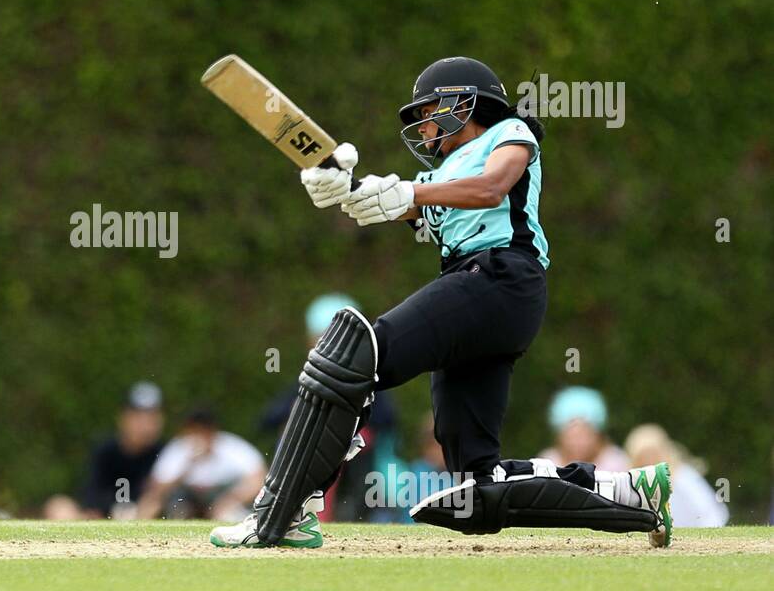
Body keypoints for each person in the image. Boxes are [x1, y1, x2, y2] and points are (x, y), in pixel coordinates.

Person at [211, 57, 672, 549]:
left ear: (465, 103)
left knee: (351, 355)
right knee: (479, 483)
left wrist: (409, 191)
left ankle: (281, 510)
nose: (424, 126)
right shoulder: (445, 172)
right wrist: (348, 188)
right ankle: (631, 493)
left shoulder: (509, 132)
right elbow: (411, 207)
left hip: (500, 277)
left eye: (430, 111)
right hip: (483, 293)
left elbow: (492, 187)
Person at [259, 293, 401, 522]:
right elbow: (269, 418)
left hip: (357, 457)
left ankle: (345, 513)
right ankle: (298, 509)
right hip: (315, 450)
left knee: (357, 440)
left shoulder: (369, 380)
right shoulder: (308, 380)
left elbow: (385, 419)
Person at [136, 408, 265, 521]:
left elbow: (259, 478)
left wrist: (230, 500)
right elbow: (156, 489)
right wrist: (187, 465)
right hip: (187, 500)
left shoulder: (231, 447)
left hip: (223, 497)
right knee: (174, 508)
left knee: (228, 514)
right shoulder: (179, 449)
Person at [76, 381, 167, 519]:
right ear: (123, 418)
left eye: (151, 417)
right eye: (138, 417)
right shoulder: (105, 451)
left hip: (143, 518)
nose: (145, 425)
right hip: (104, 516)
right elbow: (91, 494)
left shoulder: (165, 454)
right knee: (59, 506)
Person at [625, 424, 727, 528]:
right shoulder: (632, 486)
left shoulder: (684, 478)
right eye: (643, 457)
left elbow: (712, 514)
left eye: (653, 455)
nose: (649, 461)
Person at [539, 386, 629, 472]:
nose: (578, 442)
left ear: (598, 435)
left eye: (585, 435)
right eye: (572, 436)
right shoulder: (547, 464)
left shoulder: (616, 464)